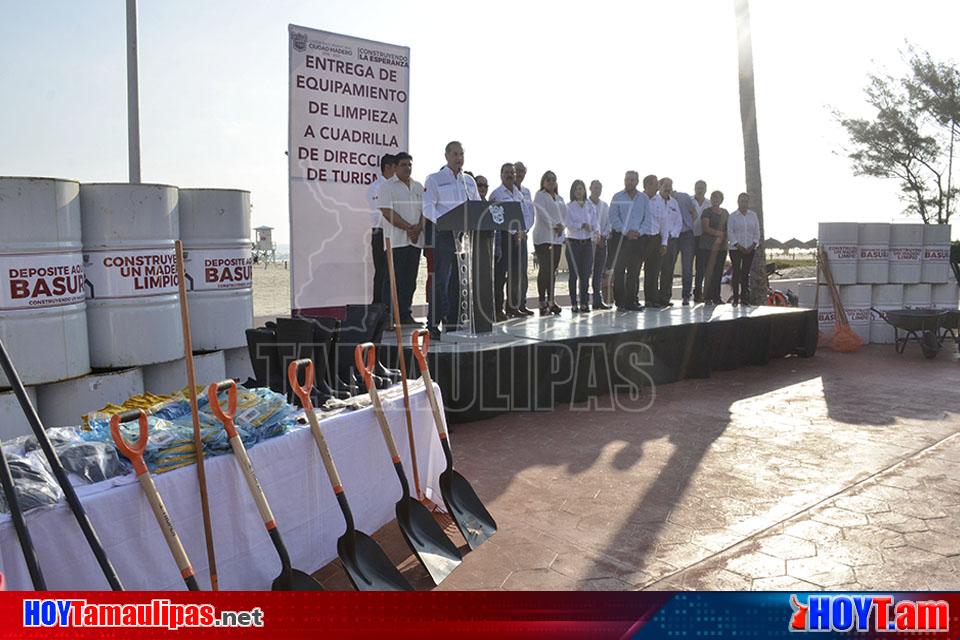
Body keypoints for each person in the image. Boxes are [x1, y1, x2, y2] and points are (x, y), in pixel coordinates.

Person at [423, 141, 481, 338]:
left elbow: (477, 207)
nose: (459, 158)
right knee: (441, 280)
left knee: (460, 280)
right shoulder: (434, 179)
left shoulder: (469, 181)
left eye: (461, 154)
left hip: (465, 236)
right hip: (445, 235)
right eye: (455, 154)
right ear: (446, 156)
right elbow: (428, 207)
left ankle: (454, 322)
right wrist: (446, 222)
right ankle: (432, 323)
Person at [377, 152, 424, 324]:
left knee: (410, 280)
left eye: (410, 164)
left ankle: (404, 315)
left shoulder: (418, 186)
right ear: (395, 167)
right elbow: (387, 212)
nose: (407, 168)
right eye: (403, 164)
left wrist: (418, 228)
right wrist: (408, 228)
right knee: (392, 280)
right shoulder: (386, 187)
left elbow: (425, 211)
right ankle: (388, 318)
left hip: (415, 240)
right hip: (395, 241)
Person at [489, 163, 526, 320]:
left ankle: (513, 307)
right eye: (506, 172)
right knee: (500, 275)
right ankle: (497, 309)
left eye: (512, 172)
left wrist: (521, 231)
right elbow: (493, 216)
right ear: (501, 174)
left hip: (517, 237)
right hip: (502, 236)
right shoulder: (496, 194)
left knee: (515, 274)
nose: (510, 175)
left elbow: (523, 214)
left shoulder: (518, 194)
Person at [608, 171, 647, 311]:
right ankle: (621, 302)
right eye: (627, 179)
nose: (629, 182)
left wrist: (639, 232)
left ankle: (632, 301)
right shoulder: (617, 197)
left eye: (632, 179)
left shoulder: (643, 198)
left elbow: (647, 218)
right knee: (619, 271)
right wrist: (626, 232)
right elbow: (613, 217)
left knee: (634, 272)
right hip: (621, 239)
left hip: (638, 239)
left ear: (637, 181)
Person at [532, 171, 567, 315]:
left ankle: (552, 300)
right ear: (543, 181)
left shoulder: (560, 198)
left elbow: (565, 215)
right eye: (548, 179)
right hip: (543, 238)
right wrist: (554, 225)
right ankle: (542, 302)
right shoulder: (540, 195)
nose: (551, 182)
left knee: (553, 271)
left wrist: (562, 225)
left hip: (557, 238)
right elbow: (542, 213)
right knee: (545, 270)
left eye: (553, 179)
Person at [368, 154, 397, 304]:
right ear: (387, 167)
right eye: (395, 167)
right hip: (380, 233)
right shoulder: (375, 187)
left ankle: (393, 310)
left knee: (393, 274)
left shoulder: (396, 187)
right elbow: (379, 212)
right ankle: (378, 310)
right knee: (382, 272)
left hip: (395, 234)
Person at [564, 180, 595, 312]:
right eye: (576, 189)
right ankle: (573, 303)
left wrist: (592, 228)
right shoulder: (569, 206)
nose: (578, 191)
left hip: (587, 243)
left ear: (584, 190)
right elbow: (568, 223)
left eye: (580, 189)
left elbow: (595, 222)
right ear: (572, 191)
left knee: (585, 274)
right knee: (573, 275)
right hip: (573, 243)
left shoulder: (590, 205)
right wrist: (581, 225)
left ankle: (584, 302)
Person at [653, 178, 683, 307]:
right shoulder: (654, 201)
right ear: (659, 186)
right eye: (665, 186)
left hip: (671, 240)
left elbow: (679, 221)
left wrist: (673, 234)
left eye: (670, 186)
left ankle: (665, 297)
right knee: (655, 269)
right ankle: (654, 298)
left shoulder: (674, 203)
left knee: (668, 270)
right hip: (656, 239)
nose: (668, 188)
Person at [727, 192, 761, 305]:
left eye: (746, 201)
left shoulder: (753, 215)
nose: (744, 204)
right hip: (736, 249)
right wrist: (738, 245)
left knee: (745, 274)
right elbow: (730, 232)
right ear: (738, 202)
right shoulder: (733, 216)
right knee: (736, 272)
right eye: (742, 201)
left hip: (750, 249)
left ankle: (745, 299)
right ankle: (736, 298)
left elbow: (757, 232)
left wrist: (753, 245)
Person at [636, 174, 663, 308]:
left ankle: (652, 299)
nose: (658, 185)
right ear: (647, 185)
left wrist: (664, 242)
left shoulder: (660, 200)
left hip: (656, 238)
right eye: (656, 183)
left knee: (654, 270)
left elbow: (664, 221)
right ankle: (634, 299)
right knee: (636, 270)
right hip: (642, 238)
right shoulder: (639, 199)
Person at [513, 162, 535, 315]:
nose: (520, 174)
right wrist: (516, 231)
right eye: (517, 171)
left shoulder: (526, 192)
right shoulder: (506, 191)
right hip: (511, 236)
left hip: (524, 235)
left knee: (523, 272)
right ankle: (512, 305)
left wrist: (525, 229)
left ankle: (522, 303)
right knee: (512, 273)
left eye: (522, 171)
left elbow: (530, 214)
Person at [698, 190, 728, 304]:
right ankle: (707, 297)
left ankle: (717, 297)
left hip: (721, 248)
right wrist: (718, 234)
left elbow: (728, 228)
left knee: (718, 272)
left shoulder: (725, 213)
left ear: (721, 200)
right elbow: (705, 227)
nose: (715, 199)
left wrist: (722, 237)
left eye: (718, 197)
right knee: (708, 272)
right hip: (707, 248)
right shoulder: (707, 212)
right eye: (713, 197)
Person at [587, 180, 611, 309]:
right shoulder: (585, 204)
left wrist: (604, 236)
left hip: (603, 242)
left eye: (599, 188)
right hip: (590, 242)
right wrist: (596, 238)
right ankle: (584, 301)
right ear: (590, 188)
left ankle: (597, 300)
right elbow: (586, 224)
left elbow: (608, 223)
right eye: (595, 187)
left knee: (599, 272)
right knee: (586, 272)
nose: (597, 190)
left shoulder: (605, 206)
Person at [673, 186, 698, 306]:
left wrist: (689, 225)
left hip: (686, 234)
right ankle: (664, 297)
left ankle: (686, 296)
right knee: (668, 266)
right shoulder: (661, 200)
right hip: (672, 236)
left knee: (687, 267)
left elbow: (694, 213)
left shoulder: (684, 197)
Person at [691, 180, 711, 303]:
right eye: (698, 187)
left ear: (705, 189)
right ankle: (686, 294)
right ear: (694, 188)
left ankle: (698, 293)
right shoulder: (689, 201)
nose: (700, 189)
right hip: (689, 236)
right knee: (687, 267)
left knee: (701, 267)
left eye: (702, 188)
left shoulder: (709, 203)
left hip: (703, 238)